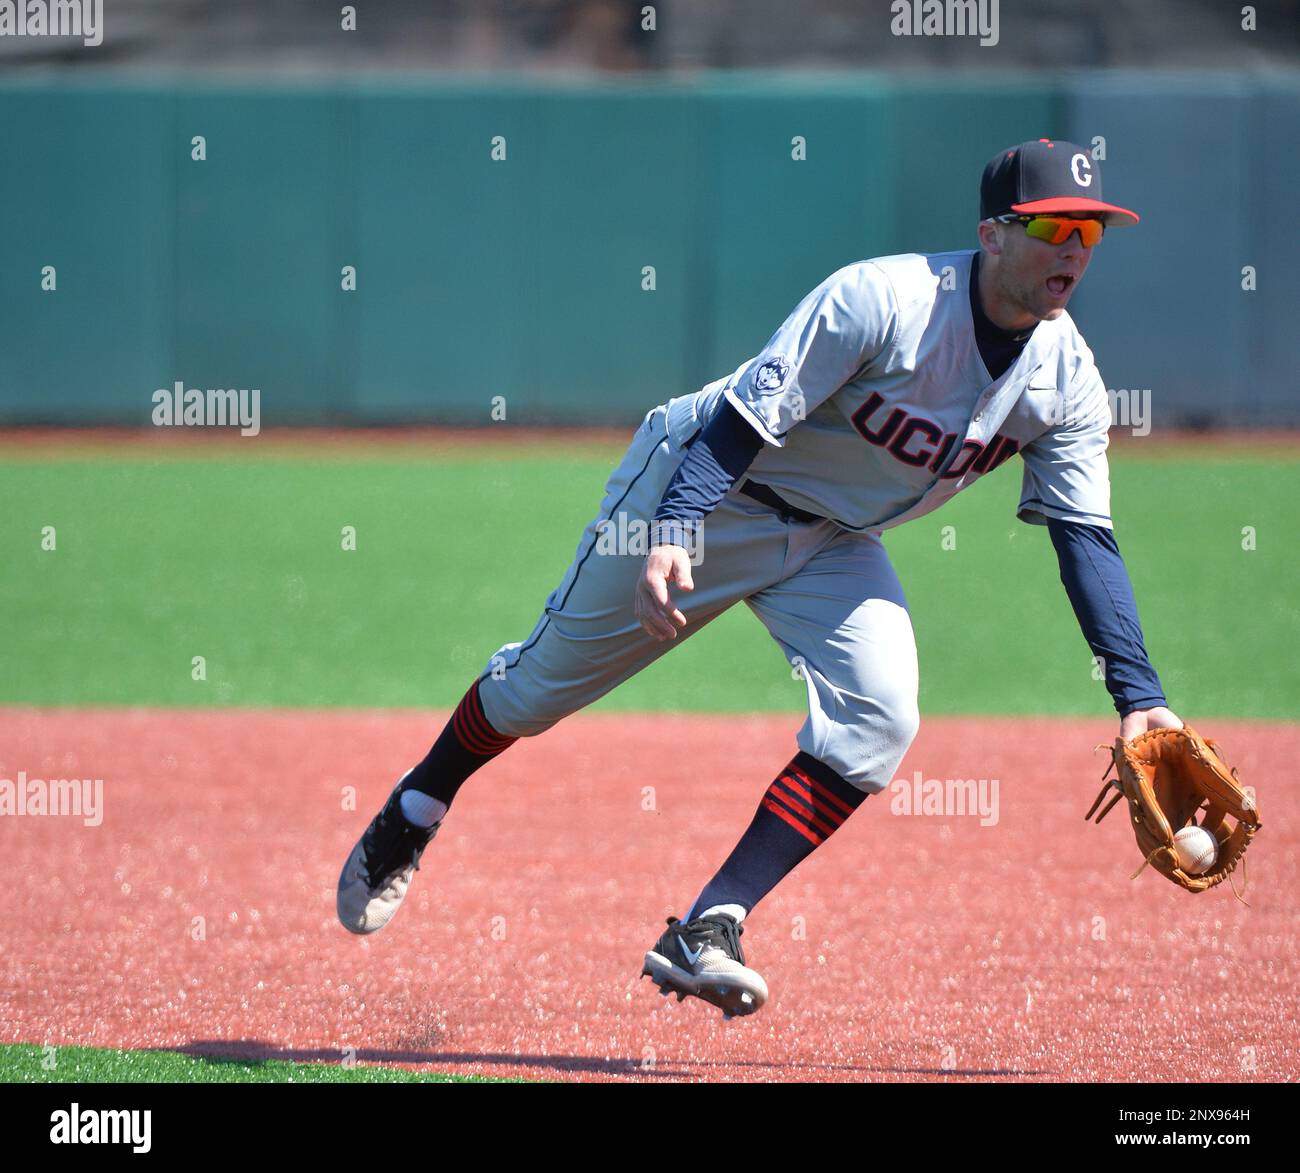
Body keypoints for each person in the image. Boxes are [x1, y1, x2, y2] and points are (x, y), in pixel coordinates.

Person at [337, 139, 1182, 1019]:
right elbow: (745, 420)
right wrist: (670, 533)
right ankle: (417, 802)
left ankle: (708, 924)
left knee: (880, 720)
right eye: (1054, 226)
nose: (1076, 248)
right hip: (714, 489)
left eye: (1092, 229)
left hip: (834, 540)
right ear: (994, 235)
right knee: (535, 693)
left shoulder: (1068, 378)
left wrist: (1139, 693)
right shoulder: (884, 301)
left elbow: (1085, 536)